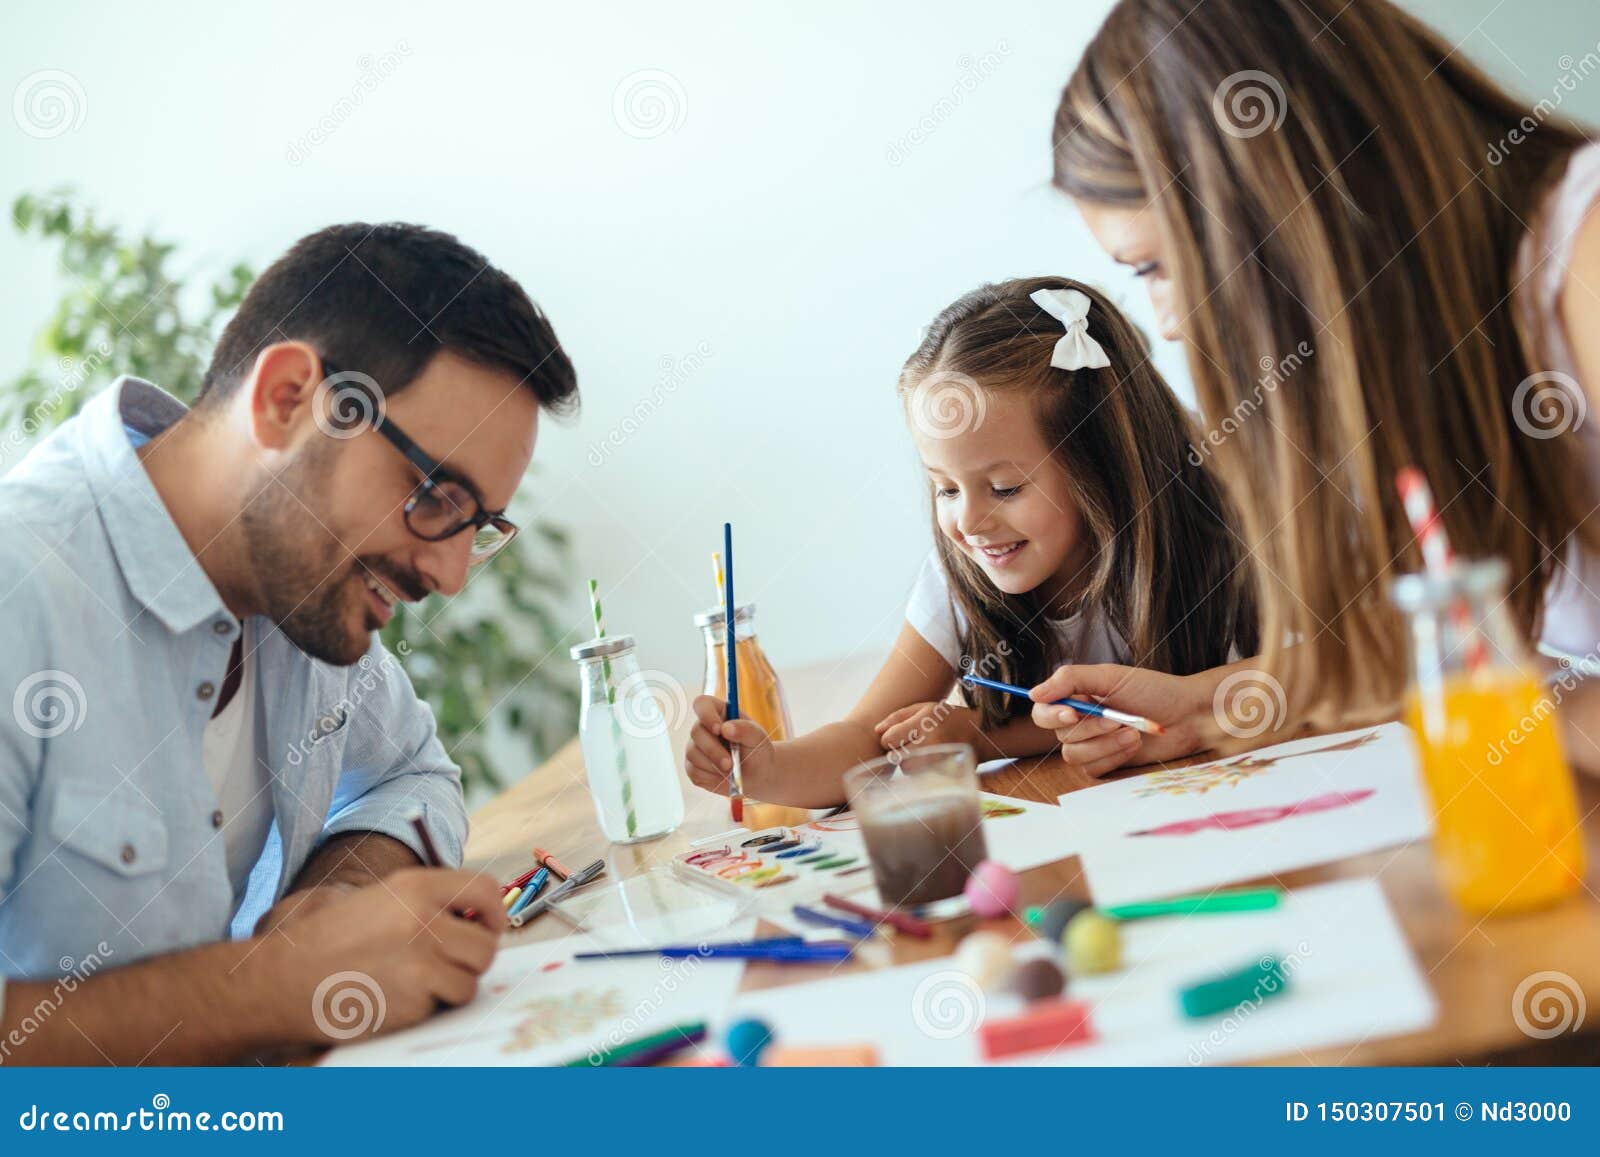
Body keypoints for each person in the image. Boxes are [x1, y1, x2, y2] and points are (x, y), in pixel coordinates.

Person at [0, 222, 577, 1063]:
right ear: (284, 401)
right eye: (436, 494)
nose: (451, 574)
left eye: (479, 525)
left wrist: (339, 894)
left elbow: (414, 773)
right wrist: (276, 984)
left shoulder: (297, 588)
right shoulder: (25, 592)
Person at [1036, 0, 1600, 774]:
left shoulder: (1584, 262)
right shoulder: (1432, 343)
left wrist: (1521, 708)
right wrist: (1206, 704)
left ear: (1268, 205)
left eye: (1155, 268)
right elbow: (1412, 658)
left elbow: (1497, 682)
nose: (1165, 323)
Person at [684, 277, 1256, 805]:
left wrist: (989, 735)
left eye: (1005, 488)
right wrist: (765, 769)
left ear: (1100, 464)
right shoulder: (962, 575)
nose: (969, 523)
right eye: (946, 489)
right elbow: (866, 739)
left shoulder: (1219, 535)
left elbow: (1321, 670)